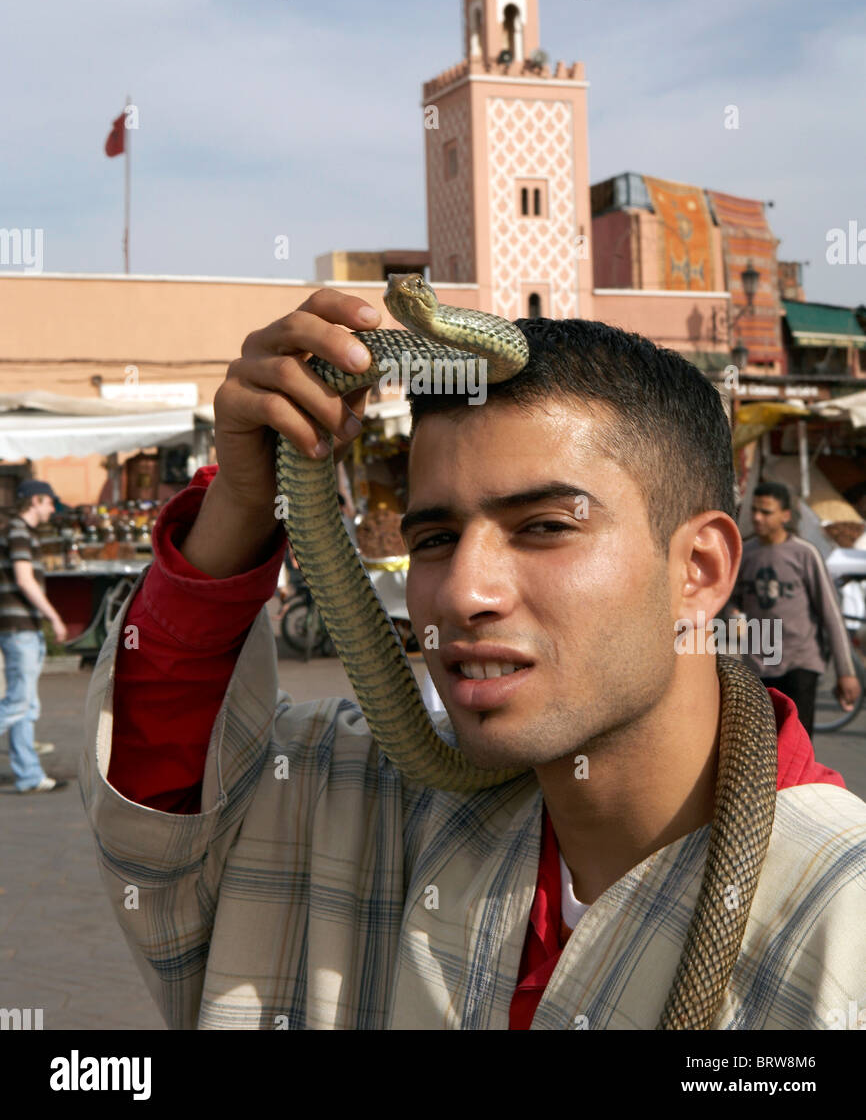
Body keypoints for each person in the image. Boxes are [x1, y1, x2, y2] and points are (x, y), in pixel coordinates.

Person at [80, 289, 866, 1030]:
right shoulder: (384, 801)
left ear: (697, 570)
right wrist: (244, 506)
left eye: (546, 526)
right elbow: (168, 804)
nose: (463, 592)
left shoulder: (837, 913)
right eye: (434, 540)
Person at [728, 481, 860, 737]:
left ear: (785, 516)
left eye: (766, 512)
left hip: (799, 663)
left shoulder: (804, 554)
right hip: (758, 665)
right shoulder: (745, 554)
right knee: (762, 743)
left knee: (796, 742)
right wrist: (733, 615)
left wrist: (846, 673)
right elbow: (729, 599)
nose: (757, 517)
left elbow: (831, 614)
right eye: (754, 510)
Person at [0, 480, 69, 793]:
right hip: (19, 629)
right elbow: (25, 580)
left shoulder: (22, 532)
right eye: (49, 502)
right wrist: (54, 616)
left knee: (25, 707)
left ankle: (29, 775)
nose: (52, 509)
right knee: (17, 703)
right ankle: (29, 775)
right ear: (35, 501)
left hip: (24, 627)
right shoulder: (18, 531)